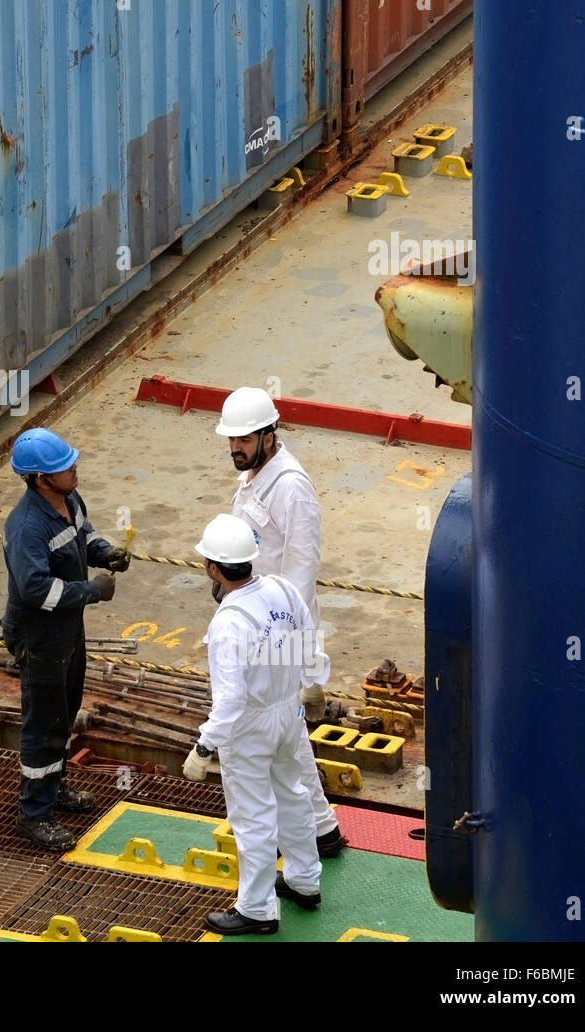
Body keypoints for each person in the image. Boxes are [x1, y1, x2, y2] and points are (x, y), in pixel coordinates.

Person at [215, 385, 346, 858]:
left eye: (245, 439)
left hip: (276, 636)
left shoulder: (291, 488)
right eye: (231, 439)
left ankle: (299, 832)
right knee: (285, 739)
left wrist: (308, 668)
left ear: (270, 435)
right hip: (256, 624)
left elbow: (301, 578)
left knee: (268, 734)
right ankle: (319, 829)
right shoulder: (255, 477)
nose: (236, 447)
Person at [182, 514, 329, 935]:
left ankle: (257, 909)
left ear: (213, 568)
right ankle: (304, 879)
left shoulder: (229, 623)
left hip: (250, 728)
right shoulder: (282, 589)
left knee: (253, 817)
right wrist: (314, 682)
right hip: (288, 714)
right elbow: (307, 638)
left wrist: (204, 746)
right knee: (292, 794)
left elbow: (230, 701)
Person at [0, 427, 130, 851]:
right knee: (43, 724)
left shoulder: (69, 500)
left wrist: (106, 551)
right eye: (64, 467)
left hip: (67, 632)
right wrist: (92, 591)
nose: (74, 470)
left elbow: (84, 536)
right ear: (40, 479)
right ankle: (34, 814)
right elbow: (36, 589)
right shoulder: (26, 526)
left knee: (65, 713)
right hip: (39, 639)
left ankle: (54, 790)